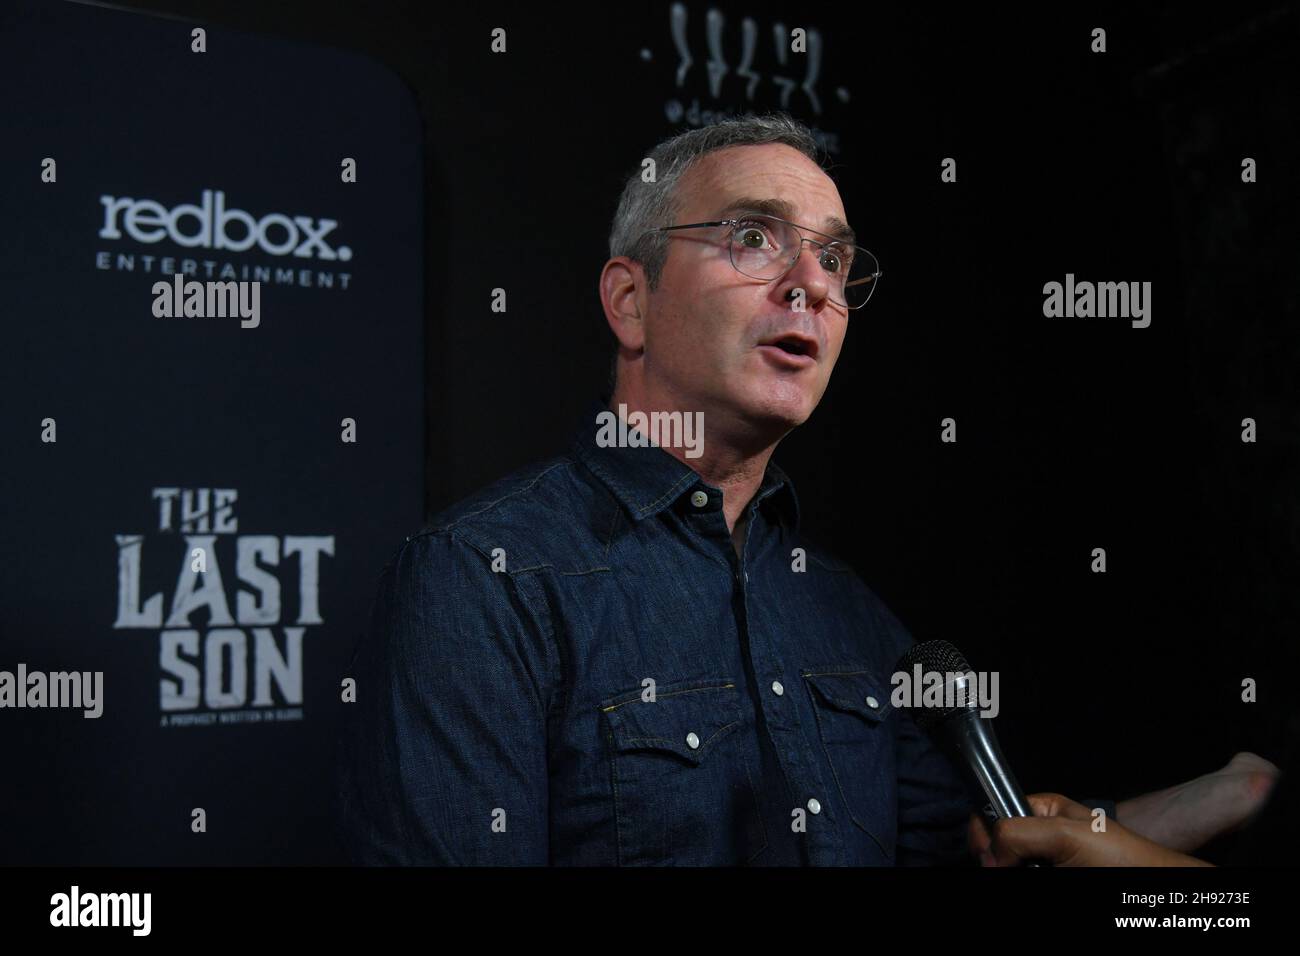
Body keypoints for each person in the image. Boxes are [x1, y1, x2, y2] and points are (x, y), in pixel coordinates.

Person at [334, 111, 1265, 866]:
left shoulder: (847, 611)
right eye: (752, 237)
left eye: (835, 260)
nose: (811, 286)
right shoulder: (481, 580)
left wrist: (1227, 794)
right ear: (630, 302)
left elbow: (1000, 844)